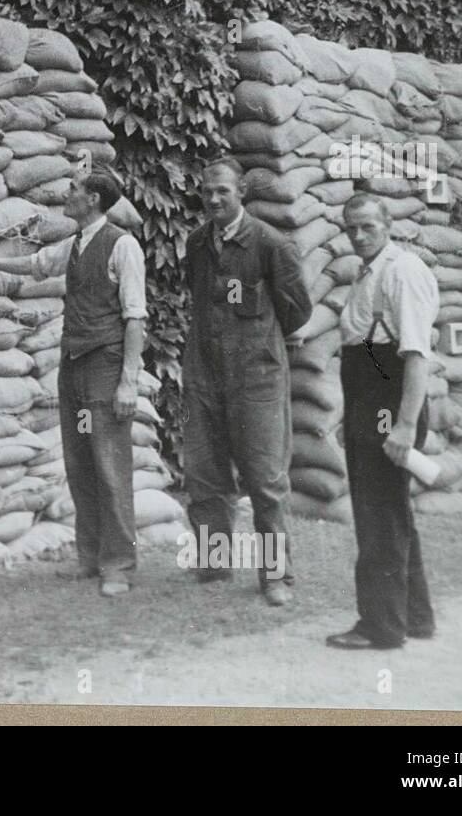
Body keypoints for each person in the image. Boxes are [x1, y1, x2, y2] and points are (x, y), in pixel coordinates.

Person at [0, 165, 146, 597]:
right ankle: (90, 557)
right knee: (81, 461)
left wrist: (129, 382)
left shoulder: (123, 246)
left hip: (105, 366)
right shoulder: (76, 245)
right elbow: (35, 264)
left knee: (110, 464)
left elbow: (135, 317)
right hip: (75, 367)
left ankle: (118, 564)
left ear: (94, 199)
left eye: (74, 189)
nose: (67, 193)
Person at [181, 158, 311, 605]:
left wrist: (256, 340)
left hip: (256, 377)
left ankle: (276, 576)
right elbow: (200, 300)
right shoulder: (197, 243)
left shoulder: (271, 244)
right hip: (205, 374)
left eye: (223, 191)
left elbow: (296, 308)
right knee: (206, 474)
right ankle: (215, 561)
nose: (214, 199)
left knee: (265, 479)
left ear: (242, 194)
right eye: (207, 191)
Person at [326, 193, 438, 650]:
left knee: (377, 519)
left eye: (368, 225)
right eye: (351, 227)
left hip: (390, 407)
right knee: (393, 514)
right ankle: (415, 617)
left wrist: (405, 426)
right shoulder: (367, 273)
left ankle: (381, 627)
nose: (358, 234)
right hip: (369, 404)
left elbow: (415, 356)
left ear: (388, 223)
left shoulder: (401, 271)